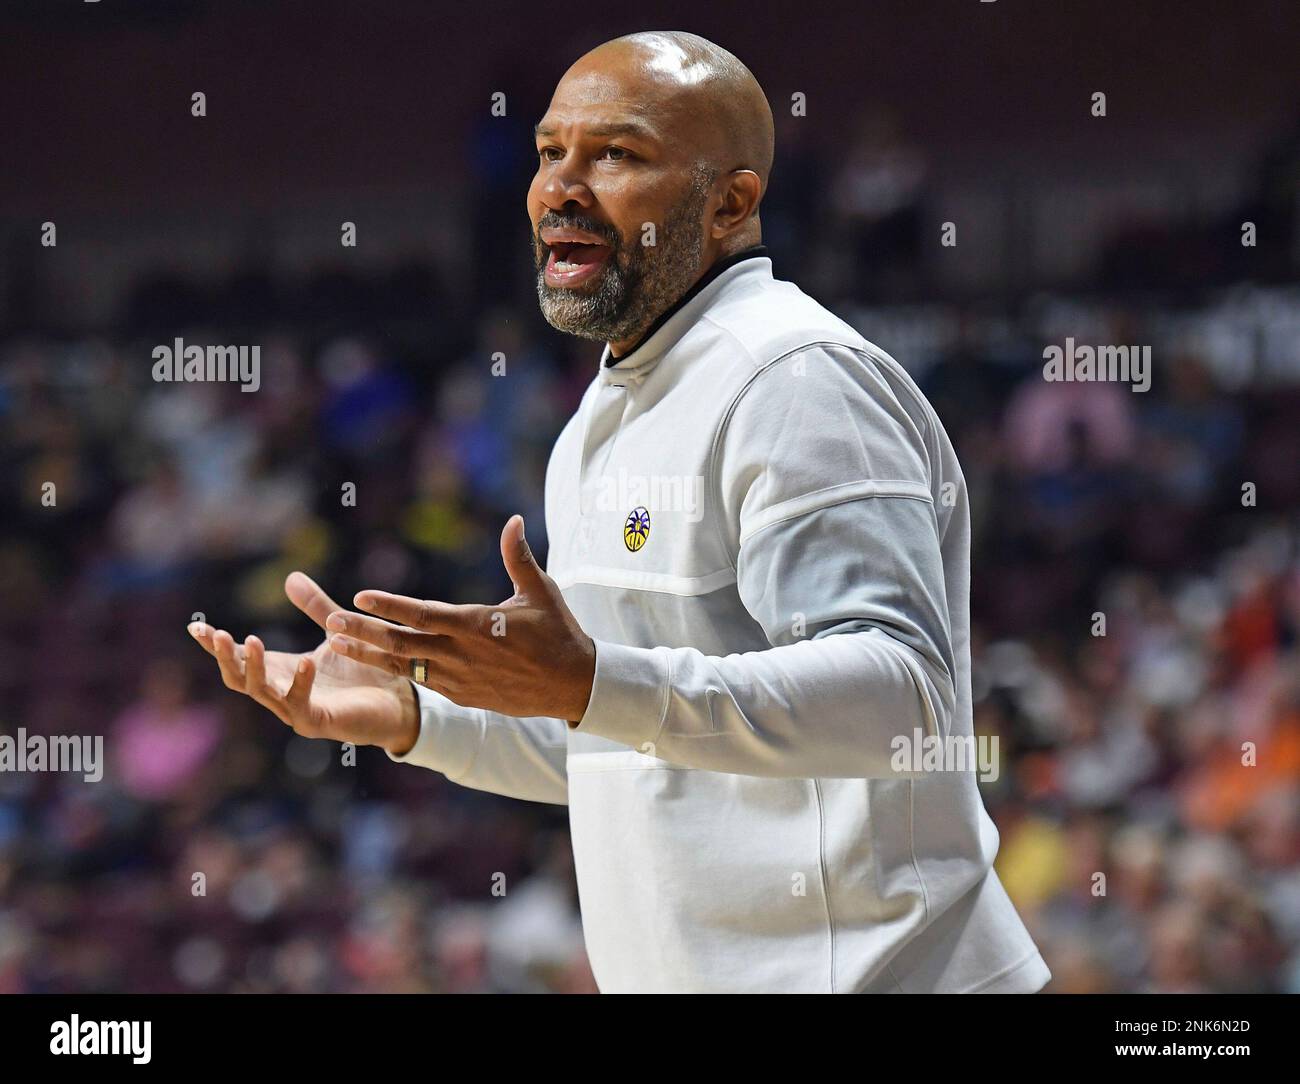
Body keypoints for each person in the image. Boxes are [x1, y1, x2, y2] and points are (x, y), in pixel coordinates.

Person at [190, 30, 1050, 994]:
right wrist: (418, 717)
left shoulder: (795, 380)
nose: (561, 186)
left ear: (730, 201)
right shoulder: (606, 411)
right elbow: (635, 740)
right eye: (550, 152)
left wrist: (595, 681)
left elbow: (904, 699)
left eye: (617, 154)